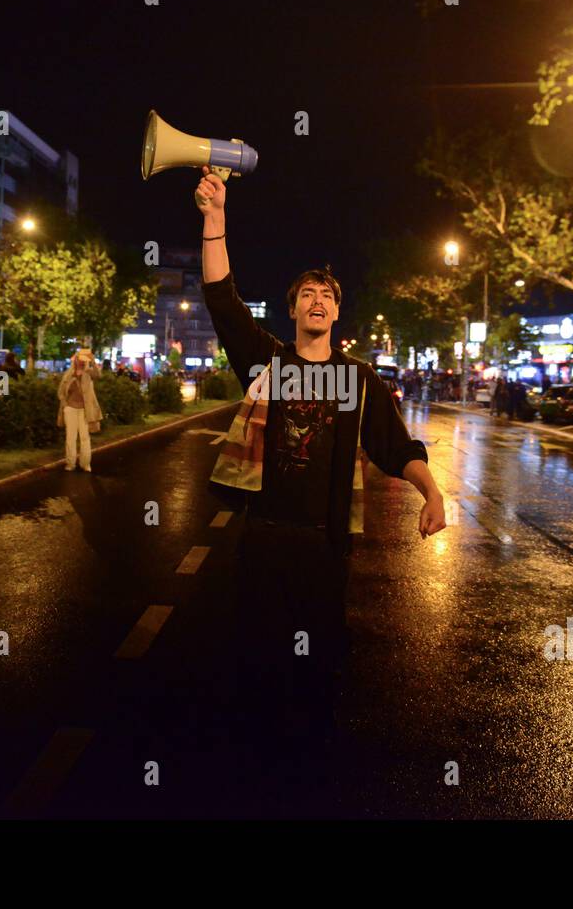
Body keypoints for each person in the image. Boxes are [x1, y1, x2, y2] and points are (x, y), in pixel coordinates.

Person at [194, 165, 447, 798]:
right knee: (255, 662)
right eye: (308, 293)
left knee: (318, 667)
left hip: (323, 542)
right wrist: (215, 216)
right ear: (293, 310)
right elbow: (223, 301)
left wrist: (434, 492)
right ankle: (250, 775)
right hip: (265, 537)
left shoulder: (356, 378)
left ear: (337, 312)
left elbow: (395, 446)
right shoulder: (270, 363)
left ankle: (307, 777)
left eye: (327, 295)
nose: (318, 301)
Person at [57, 348, 103, 472]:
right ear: (75, 360)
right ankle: (70, 463)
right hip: (70, 409)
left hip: (85, 410)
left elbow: (98, 375)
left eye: (83, 360)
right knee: (70, 437)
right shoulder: (68, 374)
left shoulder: (89, 373)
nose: (81, 362)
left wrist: (93, 361)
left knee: (84, 437)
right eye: (79, 359)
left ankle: (85, 464)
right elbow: (61, 392)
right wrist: (65, 404)